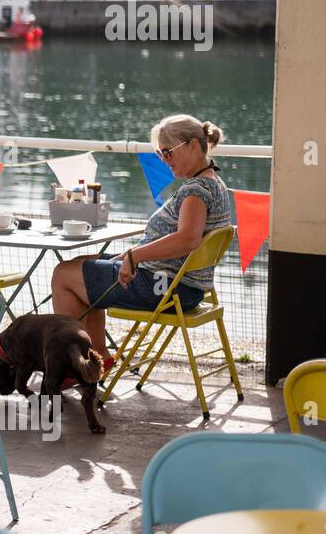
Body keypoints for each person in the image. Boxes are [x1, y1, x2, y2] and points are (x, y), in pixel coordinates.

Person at [51, 115, 232, 362]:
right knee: (83, 265)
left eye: (168, 152)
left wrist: (135, 255)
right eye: (160, 154)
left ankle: (79, 366)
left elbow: (187, 239)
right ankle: (98, 359)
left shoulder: (195, 191)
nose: (164, 160)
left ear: (192, 145)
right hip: (183, 287)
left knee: (63, 275)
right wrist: (130, 255)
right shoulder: (215, 183)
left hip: (164, 287)